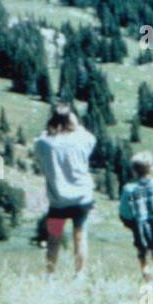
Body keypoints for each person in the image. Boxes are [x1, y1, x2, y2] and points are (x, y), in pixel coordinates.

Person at [32, 104, 96, 276]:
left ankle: (50, 274)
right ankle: (79, 274)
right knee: (80, 236)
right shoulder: (82, 139)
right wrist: (76, 124)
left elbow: (38, 142)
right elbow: (90, 139)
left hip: (58, 200)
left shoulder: (45, 143)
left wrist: (50, 128)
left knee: (54, 237)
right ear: (71, 119)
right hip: (82, 198)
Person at [119, 151, 153, 285]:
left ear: (134, 170)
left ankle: (147, 296)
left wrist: (130, 224)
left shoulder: (129, 189)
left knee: (143, 258)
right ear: (151, 168)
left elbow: (124, 213)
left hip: (139, 229)